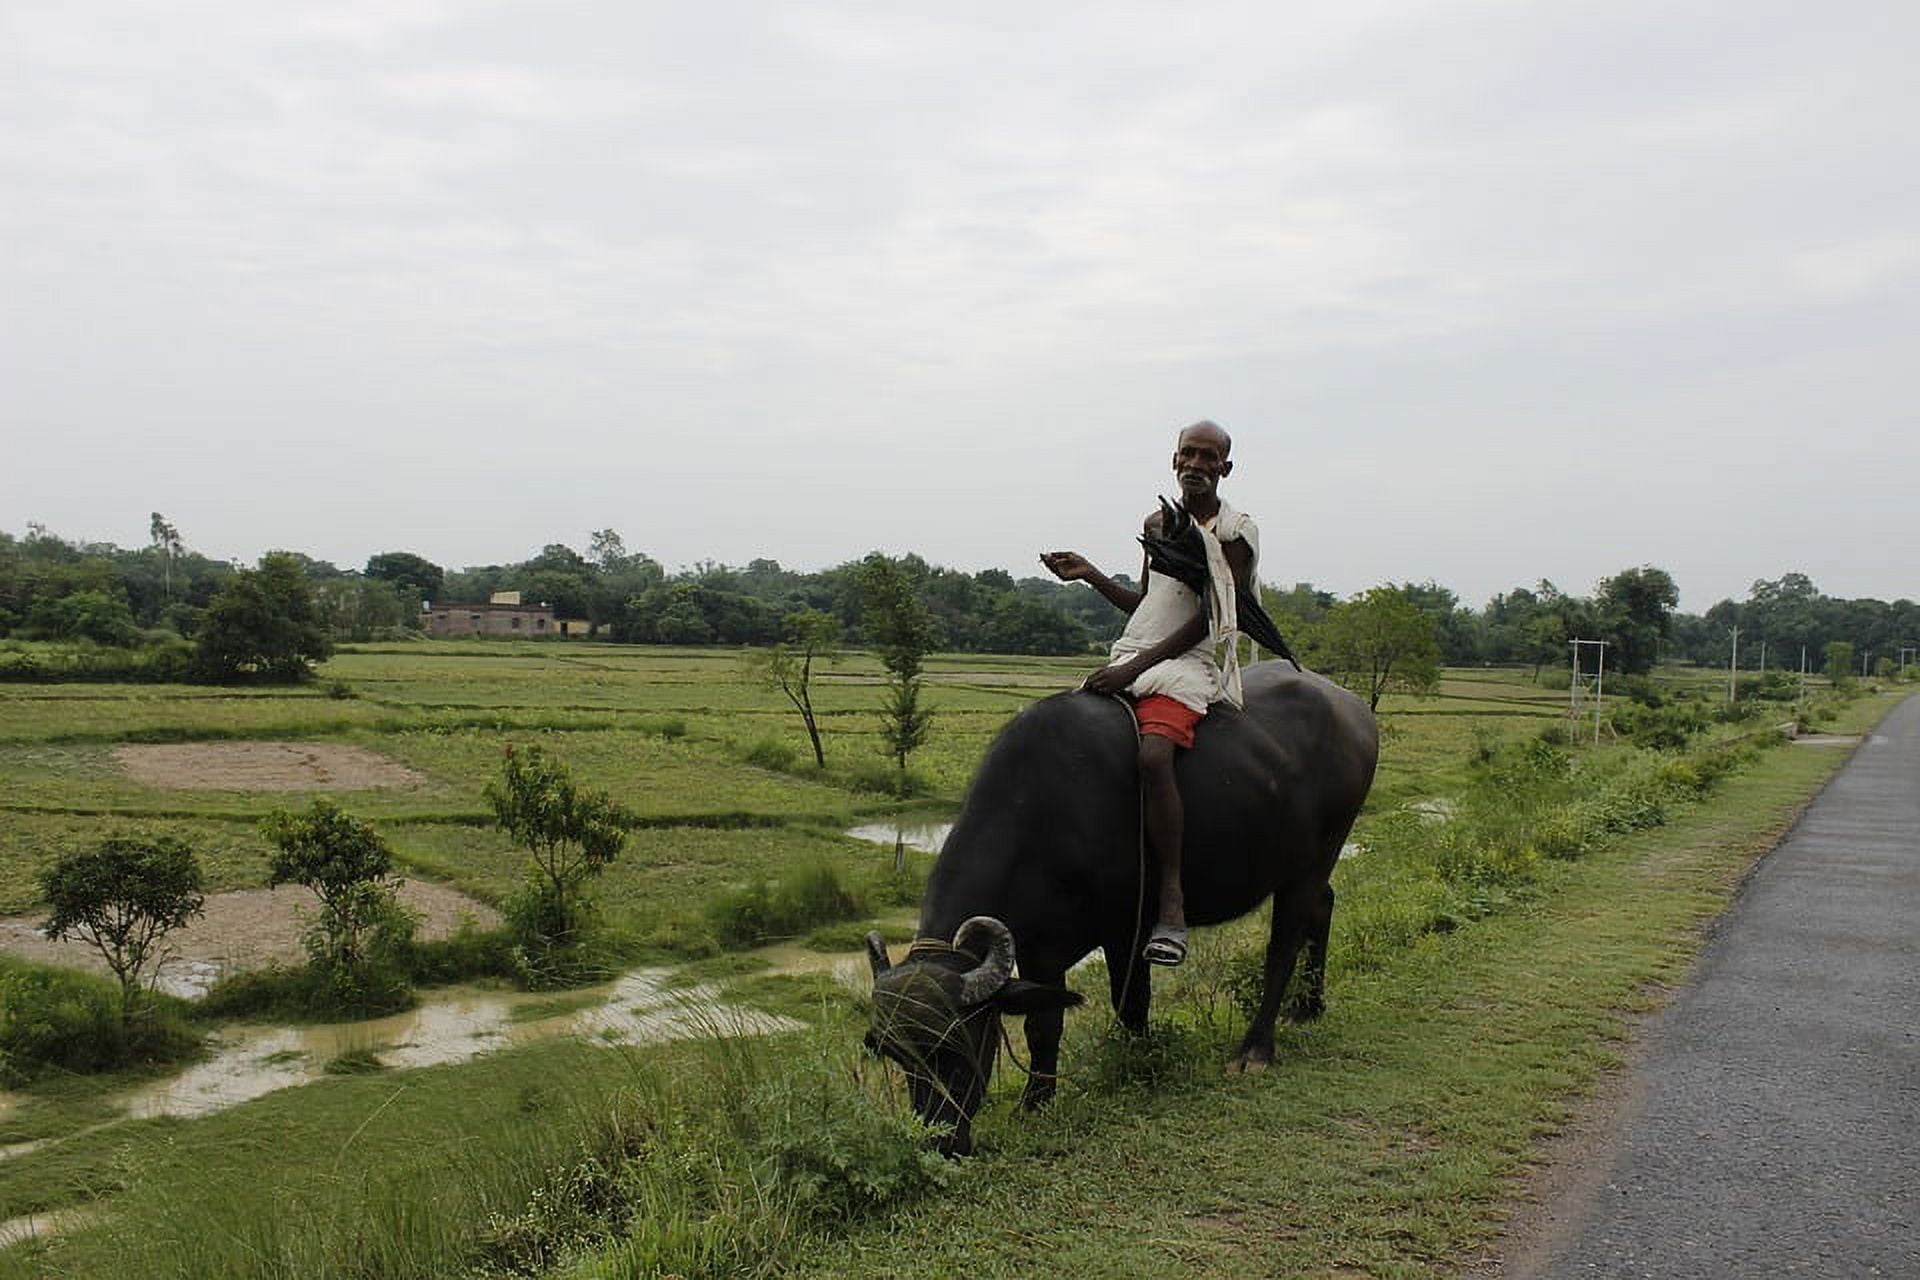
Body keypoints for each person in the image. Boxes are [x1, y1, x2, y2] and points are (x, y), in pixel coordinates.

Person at [1040, 420, 1260, 967]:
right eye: (1189, 453)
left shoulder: (1236, 532)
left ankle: (1171, 900)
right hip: (1133, 655)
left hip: (1184, 664)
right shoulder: (1157, 523)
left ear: (1224, 468)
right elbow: (1146, 603)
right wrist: (1091, 574)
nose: (1197, 464)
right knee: (1066, 744)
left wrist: (1135, 668)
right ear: (1173, 460)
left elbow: (1214, 618)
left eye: (1209, 457)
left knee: (1154, 756)